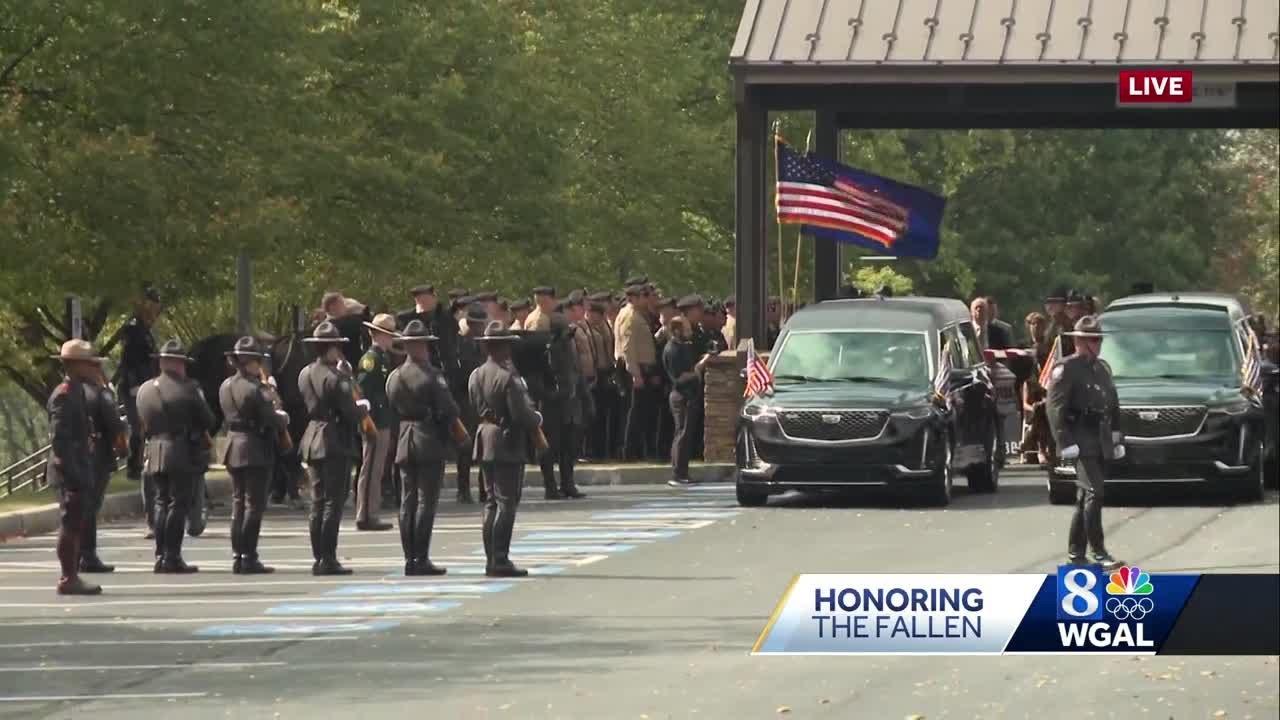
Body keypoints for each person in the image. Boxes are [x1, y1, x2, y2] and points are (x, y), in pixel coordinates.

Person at [1046, 315, 1124, 571]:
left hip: (1099, 438)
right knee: (1095, 492)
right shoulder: (1066, 368)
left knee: (1083, 497)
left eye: (1099, 339)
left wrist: (1116, 434)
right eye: (1091, 339)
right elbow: (1055, 409)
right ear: (1078, 341)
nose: (1096, 344)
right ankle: (1098, 551)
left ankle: (1076, 553)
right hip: (1079, 438)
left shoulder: (1102, 369)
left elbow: (1112, 404)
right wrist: (1064, 441)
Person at [386, 320, 461, 575]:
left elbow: (392, 407)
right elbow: (449, 409)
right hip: (428, 438)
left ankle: (409, 559)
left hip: (405, 438)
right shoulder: (432, 374)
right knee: (425, 502)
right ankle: (421, 558)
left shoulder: (394, 376)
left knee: (407, 501)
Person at [469, 321, 544, 577]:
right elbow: (520, 414)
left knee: (491, 502)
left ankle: (492, 558)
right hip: (506, 440)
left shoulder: (476, 374)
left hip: (484, 437)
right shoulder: (507, 377)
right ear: (504, 348)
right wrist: (537, 419)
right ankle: (500, 558)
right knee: (506, 503)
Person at [136, 339, 216, 574]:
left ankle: (161, 554)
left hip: (154, 448)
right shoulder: (189, 388)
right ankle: (172, 555)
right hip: (180, 450)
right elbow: (208, 420)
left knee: (161, 502)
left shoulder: (145, 389)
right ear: (179, 364)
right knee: (178, 504)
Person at [298, 321, 368, 575]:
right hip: (334, 439)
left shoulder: (305, 373)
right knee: (332, 502)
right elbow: (349, 411)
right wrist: (363, 408)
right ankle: (328, 557)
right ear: (331, 348)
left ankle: (319, 557)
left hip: (313, 435)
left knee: (317, 501)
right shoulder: (336, 377)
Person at [219, 336, 290, 574]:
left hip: (233, 445)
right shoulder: (256, 389)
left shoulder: (226, 385)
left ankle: (238, 554)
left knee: (238, 503)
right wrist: (283, 416)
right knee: (253, 505)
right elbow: (272, 418)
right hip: (254, 448)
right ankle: (249, 555)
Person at [46, 340, 110, 595]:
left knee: (76, 524)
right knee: (70, 525)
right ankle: (68, 577)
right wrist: (73, 474)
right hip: (69, 471)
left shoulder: (77, 390)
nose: (95, 368)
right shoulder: (63, 394)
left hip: (79, 466)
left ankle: (71, 575)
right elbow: (59, 440)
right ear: (75, 365)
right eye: (90, 363)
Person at [117, 285, 160, 533]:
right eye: (151, 305)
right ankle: (133, 465)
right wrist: (134, 385)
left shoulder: (146, 331)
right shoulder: (133, 330)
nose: (155, 311)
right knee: (137, 427)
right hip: (133, 385)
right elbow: (128, 361)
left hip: (148, 384)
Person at [81, 357, 128, 574]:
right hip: (96, 454)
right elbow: (115, 425)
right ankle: (87, 555)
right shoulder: (101, 394)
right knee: (90, 507)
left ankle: (75, 555)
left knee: (75, 509)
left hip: (71, 454)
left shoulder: (62, 392)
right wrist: (122, 449)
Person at [538, 304, 589, 499]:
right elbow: (540, 381)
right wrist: (553, 394)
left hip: (571, 403)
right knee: (549, 448)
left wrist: (584, 397)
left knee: (570, 447)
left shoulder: (570, 346)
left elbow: (577, 372)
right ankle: (550, 487)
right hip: (553, 405)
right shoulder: (547, 350)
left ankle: (568, 484)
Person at [352, 314, 398, 532]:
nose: (391, 340)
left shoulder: (383, 357)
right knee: (370, 468)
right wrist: (366, 420)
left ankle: (371, 511)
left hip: (383, 418)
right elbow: (362, 391)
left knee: (377, 468)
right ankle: (366, 514)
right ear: (378, 334)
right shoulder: (371, 359)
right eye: (388, 335)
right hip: (374, 420)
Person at [663, 318, 709, 485]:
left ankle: (683, 472)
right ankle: (678, 474)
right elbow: (679, 377)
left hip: (688, 395)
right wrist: (699, 368)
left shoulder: (683, 347)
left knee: (686, 434)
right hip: (681, 396)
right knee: (681, 433)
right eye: (686, 329)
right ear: (676, 330)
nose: (689, 332)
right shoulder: (672, 349)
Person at [615, 284, 659, 460]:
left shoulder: (637, 315)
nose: (646, 299)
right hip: (634, 369)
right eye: (643, 295)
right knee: (633, 414)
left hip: (640, 368)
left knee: (639, 413)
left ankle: (636, 451)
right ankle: (629, 453)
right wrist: (635, 374)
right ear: (632, 298)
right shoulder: (630, 316)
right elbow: (627, 348)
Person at [455, 304, 490, 503]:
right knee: (465, 446)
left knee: (484, 446)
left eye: (481, 324)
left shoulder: (486, 343)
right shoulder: (461, 344)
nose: (479, 328)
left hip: (483, 399)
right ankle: (463, 487)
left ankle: (484, 487)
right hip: (466, 399)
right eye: (475, 324)